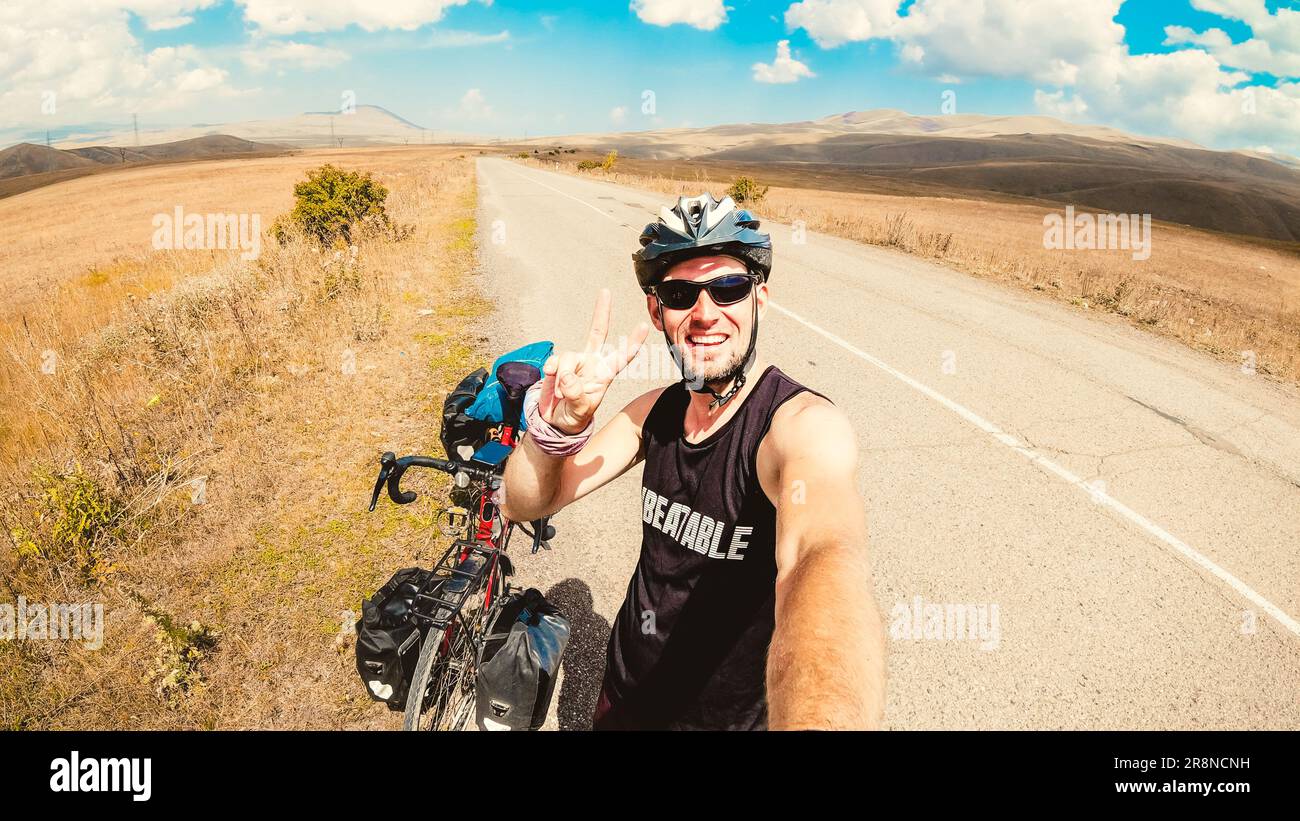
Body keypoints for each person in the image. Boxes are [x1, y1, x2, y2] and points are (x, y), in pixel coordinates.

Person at [500, 193, 885, 730]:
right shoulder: (653, 413)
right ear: (658, 312)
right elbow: (524, 501)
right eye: (681, 293)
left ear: (760, 299)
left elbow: (820, 558)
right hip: (624, 696)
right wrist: (557, 428)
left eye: (729, 287)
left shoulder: (799, 428)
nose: (706, 313)